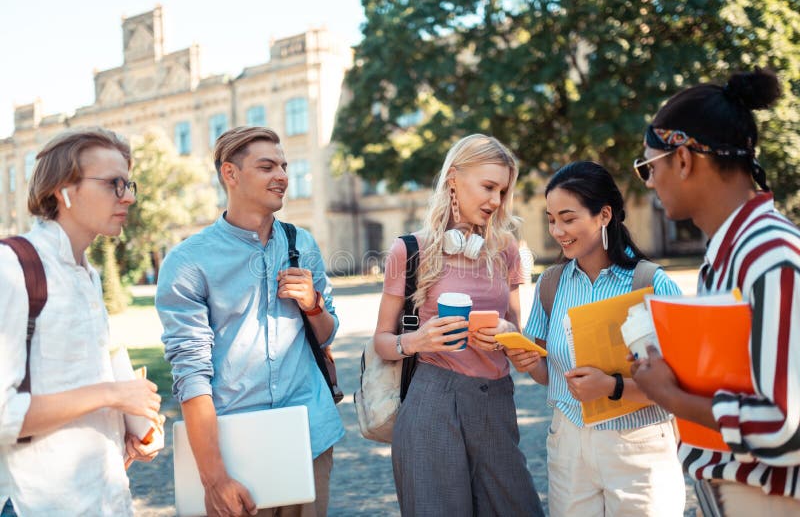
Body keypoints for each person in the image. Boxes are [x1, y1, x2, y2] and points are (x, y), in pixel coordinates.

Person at [630, 69, 800, 515]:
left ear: (683, 160)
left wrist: (672, 397)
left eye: (649, 166)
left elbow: (787, 424)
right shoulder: (728, 252)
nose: (649, 182)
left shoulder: (769, 256)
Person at [156, 126, 344, 517]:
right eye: (266, 166)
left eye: (284, 166)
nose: (282, 176)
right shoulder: (189, 262)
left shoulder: (301, 244)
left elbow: (327, 333)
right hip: (235, 448)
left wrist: (313, 305)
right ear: (230, 174)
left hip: (309, 437)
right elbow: (191, 374)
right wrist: (214, 478)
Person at [372, 134, 544, 516]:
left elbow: (520, 337)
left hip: (495, 401)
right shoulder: (410, 251)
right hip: (431, 401)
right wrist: (416, 340)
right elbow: (382, 341)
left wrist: (507, 335)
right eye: (488, 187)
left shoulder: (507, 251)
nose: (496, 201)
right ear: (453, 178)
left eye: (502, 190)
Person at [0, 128, 164, 516]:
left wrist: (124, 430)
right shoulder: (13, 267)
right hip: (37, 504)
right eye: (114, 184)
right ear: (64, 190)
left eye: (129, 184)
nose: (129, 196)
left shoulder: (86, 274)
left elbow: (69, 386)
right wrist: (113, 394)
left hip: (103, 498)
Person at [507, 161, 686, 516]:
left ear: (604, 215)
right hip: (569, 444)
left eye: (568, 218)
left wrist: (611, 386)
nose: (557, 230)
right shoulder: (550, 285)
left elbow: (683, 382)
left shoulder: (653, 284)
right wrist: (529, 363)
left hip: (639, 447)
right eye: (551, 219)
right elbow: (549, 375)